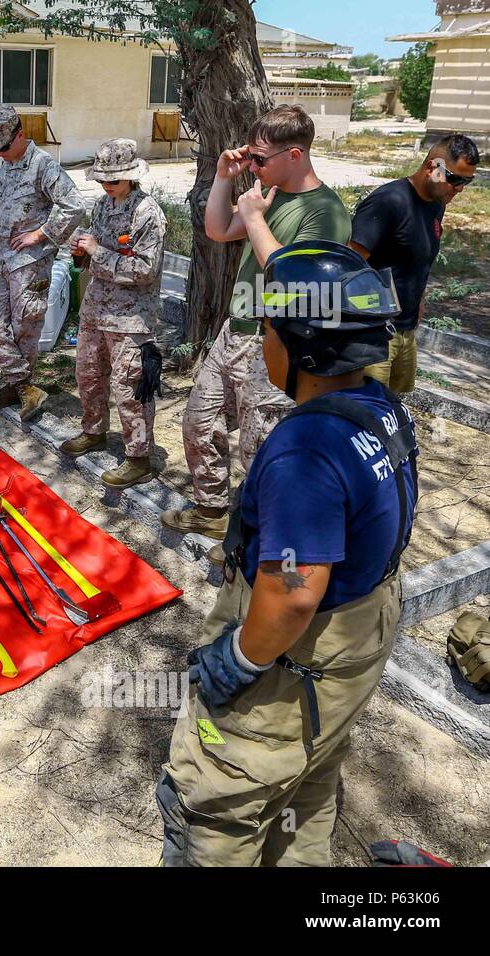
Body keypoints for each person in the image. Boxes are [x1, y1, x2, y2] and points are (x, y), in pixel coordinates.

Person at [156, 241, 417, 866]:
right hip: (353, 653)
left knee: (216, 807)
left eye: (269, 331)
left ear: (300, 349)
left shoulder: (306, 452)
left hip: (293, 665)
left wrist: (239, 659)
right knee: (308, 794)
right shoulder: (379, 410)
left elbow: (295, 592)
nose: (262, 344)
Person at [162, 105, 351, 562]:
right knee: (198, 422)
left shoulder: (326, 212)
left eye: (260, 160)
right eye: (250, 157)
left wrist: (255, 218)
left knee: (259, 448)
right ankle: (211, 508)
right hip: (237, 328)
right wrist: (226, 178)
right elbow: (216, 229)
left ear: (295, 154)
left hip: (275, 341)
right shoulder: (269, 192)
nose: (254, 167)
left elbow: (293, 277)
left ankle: (254, 542)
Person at [60, 139, 167, 487]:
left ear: (132, 176)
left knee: (129, 388)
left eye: (115, 179)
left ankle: (138, 457)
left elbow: (146, 270)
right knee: (88, 376)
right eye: (103, 179)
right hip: (96, 310)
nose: (107, 185)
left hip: (131, 318)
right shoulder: (102, 206)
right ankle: (93, 431)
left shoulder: (147, 213)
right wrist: (81, 251)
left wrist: (98, 253)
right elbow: (96, 254)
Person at [0, 105, 86, 422]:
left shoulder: (42, 165)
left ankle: (20, 387)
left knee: (26, 329)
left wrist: (42, 234)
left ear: (20, 135)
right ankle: (23, 386)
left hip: (31, 263)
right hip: (2, 260)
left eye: (4, 147)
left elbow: (74, 205)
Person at [349, 133, 481, 393]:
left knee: (395, 415)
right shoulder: (390, 201)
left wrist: (418, 300)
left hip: (405, 331)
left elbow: (417, 260)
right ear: (432, 166)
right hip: (373, 335)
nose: (459, 188)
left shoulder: (436, 204)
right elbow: (349, 264)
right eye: (454, 179)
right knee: (367, 415)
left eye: (467, 181)